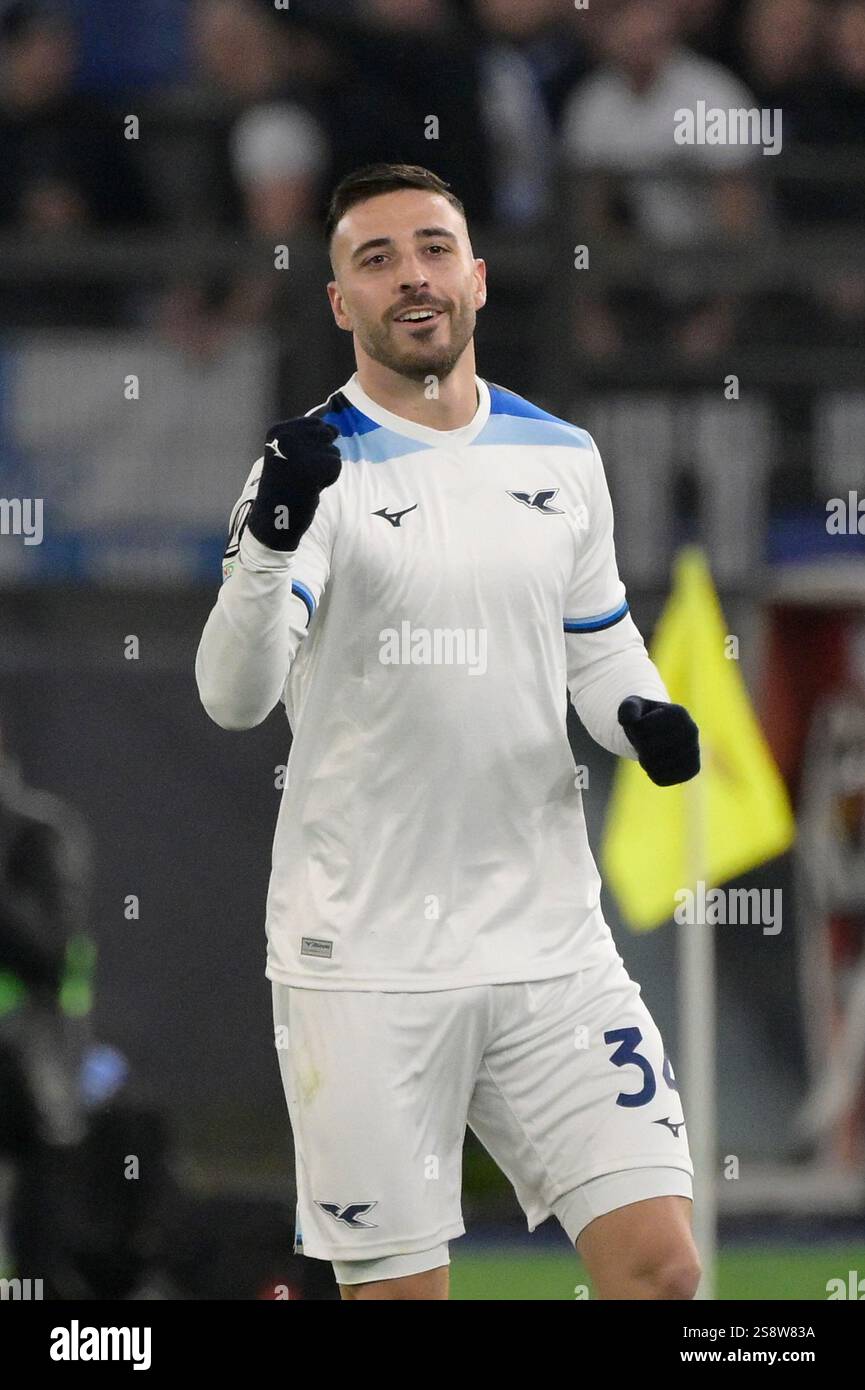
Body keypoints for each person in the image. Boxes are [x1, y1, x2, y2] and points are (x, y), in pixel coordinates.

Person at [195, 162, 702, 1301]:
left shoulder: (561, 455)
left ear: (474, 276)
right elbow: (232, 694)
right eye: (374, 260)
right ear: (341, 304)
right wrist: (269, 543)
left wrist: (640, 716)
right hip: (364, 963)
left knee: (663, 1274)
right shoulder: (305, 471)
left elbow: (596, 641)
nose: (409, 276)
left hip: (551, 949)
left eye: (431, 248)